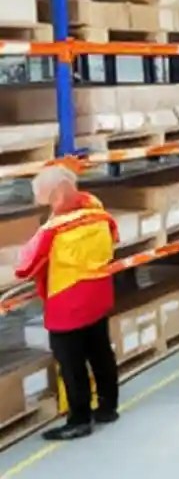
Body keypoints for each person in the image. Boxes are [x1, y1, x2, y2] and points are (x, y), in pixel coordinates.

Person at [15, 165, 120, 441]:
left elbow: (25, 266)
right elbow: (114, 238)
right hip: (98, 293)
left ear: (56, 195)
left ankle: (79, 420)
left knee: (72, 363)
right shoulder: (97, 210)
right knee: (100, 351)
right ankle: (108, 407)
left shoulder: (54, 229)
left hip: (68, 301)